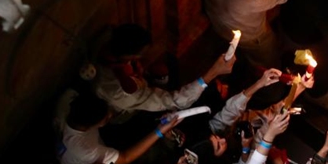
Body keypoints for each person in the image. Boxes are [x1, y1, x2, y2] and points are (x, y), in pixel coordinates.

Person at [55, 91, 184, 164]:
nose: (110, 114)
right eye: (106, 118)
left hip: (86, 156)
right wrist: (160, 131)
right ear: (90, 126)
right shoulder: (84, 149)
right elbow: (125, 157)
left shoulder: (67, 100)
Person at [93, 24, 235, 115]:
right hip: (129, 111)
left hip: (139, 83)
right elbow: (174, 101)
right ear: (128, 56)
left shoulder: (108, 39)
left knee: (164, 69)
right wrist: (213, 72)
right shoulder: (122, 93)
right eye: (139, 56)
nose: (141, 59)